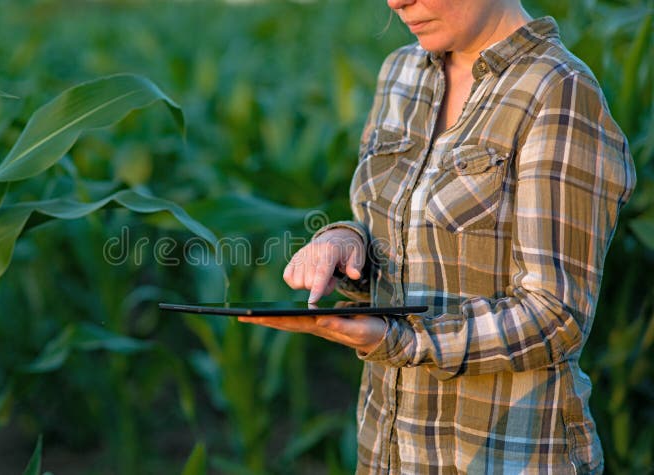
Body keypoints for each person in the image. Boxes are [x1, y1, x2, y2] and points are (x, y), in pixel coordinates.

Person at [238, 0, 636, 473]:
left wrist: (401, 339)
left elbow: (555, 315)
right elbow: (400, 231)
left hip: (503, 454)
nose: (396, 1)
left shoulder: (558, 90)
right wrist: (345, 243)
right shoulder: (402, 73)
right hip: (388, 449)